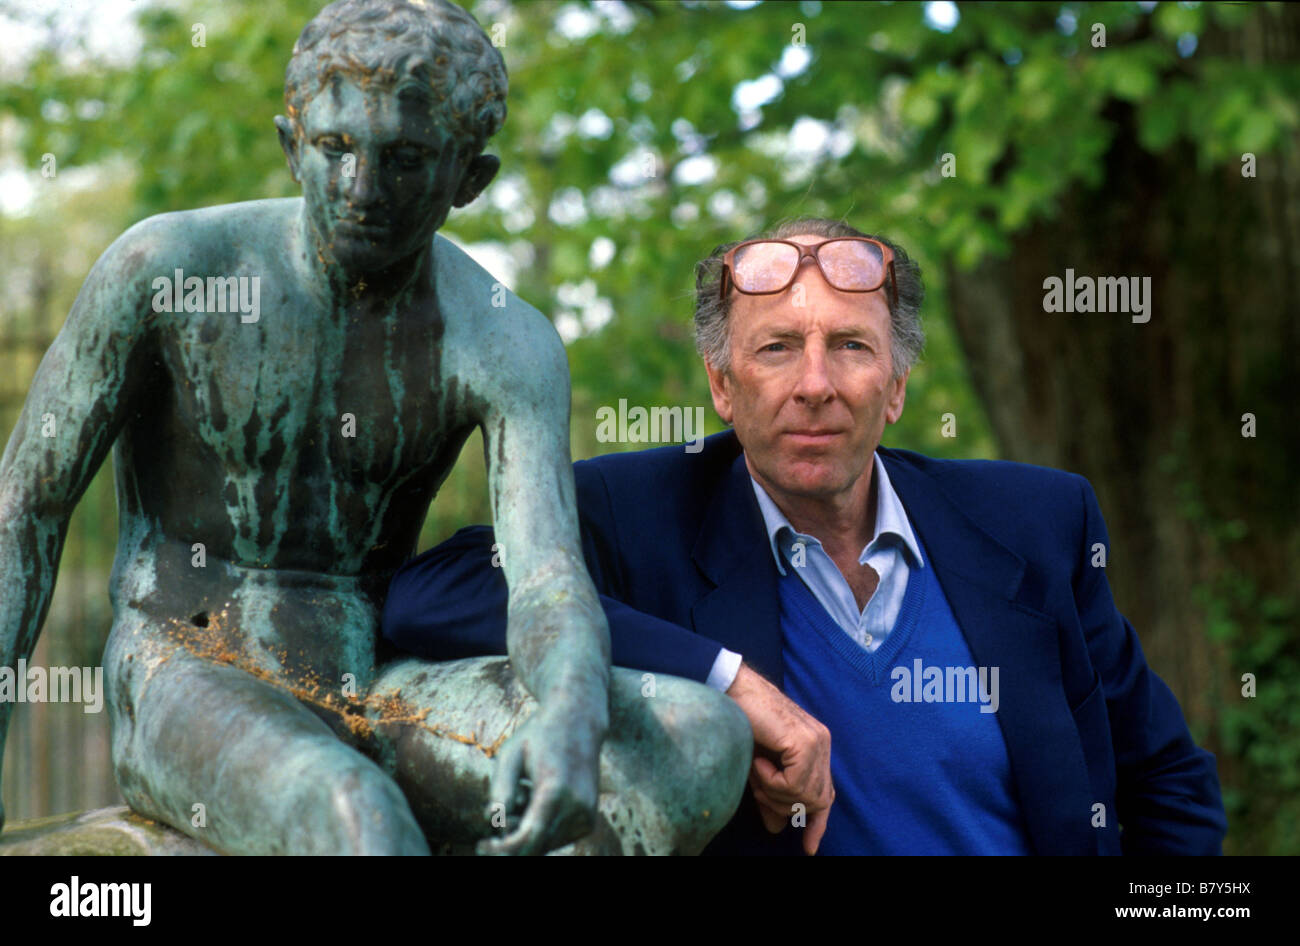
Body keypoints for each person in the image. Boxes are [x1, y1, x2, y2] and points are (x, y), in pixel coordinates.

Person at [0, 0, 751, 856]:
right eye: (334, 149)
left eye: (405, 160)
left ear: (469, 177)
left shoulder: (503, 337)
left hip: (379, 685)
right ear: (292, 144)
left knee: (700, 739)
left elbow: (543, 579)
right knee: (362, 820)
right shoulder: (168, 270)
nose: (362, 190)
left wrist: (570, 715)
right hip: (185, 670)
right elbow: (24, 507)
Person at [384, 216, 1229, 855]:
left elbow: (1167, 784)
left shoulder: (1037, 523)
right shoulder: (634, 512)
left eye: (852, 346)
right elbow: (432, 591)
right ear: (722, 384)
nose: (815, 385)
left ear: (895, 388)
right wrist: (730, 681)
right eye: (778, 348)